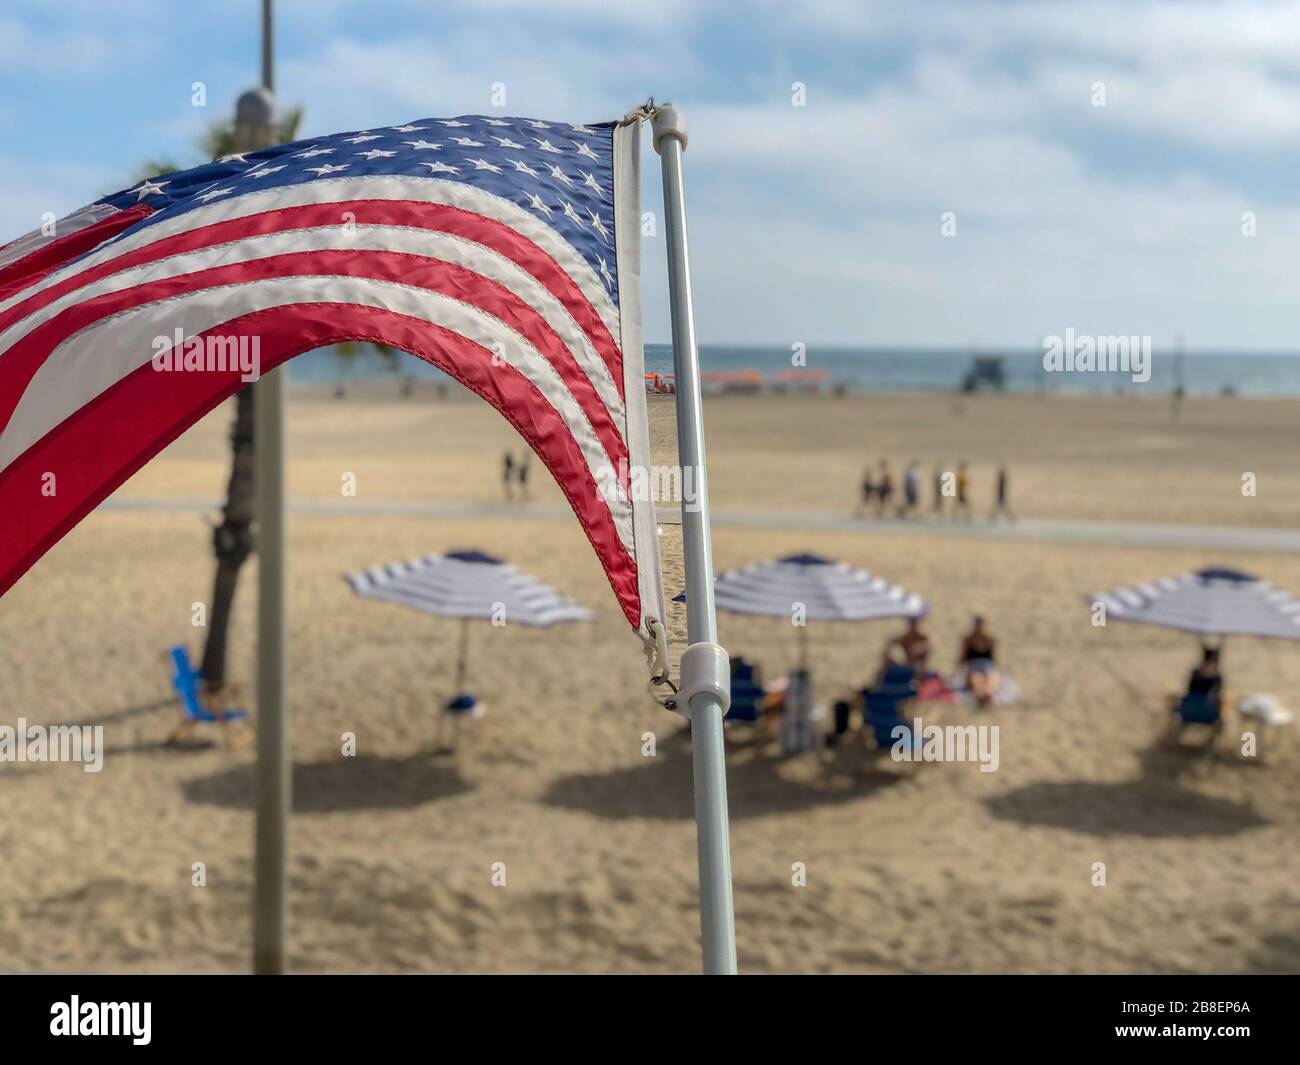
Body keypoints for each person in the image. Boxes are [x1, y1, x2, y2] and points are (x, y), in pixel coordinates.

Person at [959, 615, 1000, 707]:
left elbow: (993, 658)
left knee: (991, 678)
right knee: (976, 678)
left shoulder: (990, 639)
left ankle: (987, 693)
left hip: (986, 665)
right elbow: (963, 657)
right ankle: (982, 694)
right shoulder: (968, 639)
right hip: (973, 665)